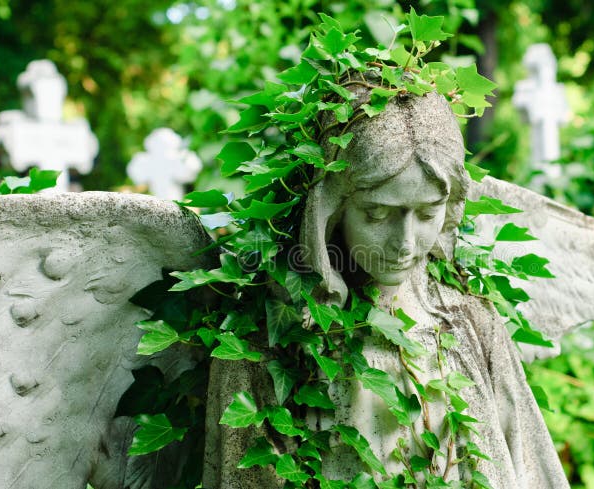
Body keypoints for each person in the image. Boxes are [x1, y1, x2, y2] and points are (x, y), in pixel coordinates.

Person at [204, 92, 569, 488]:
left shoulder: (471, 324)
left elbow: (530, 469)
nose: (406, 243)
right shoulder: (268, 342)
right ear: (332, 208)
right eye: (377, 214)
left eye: (428, 213)